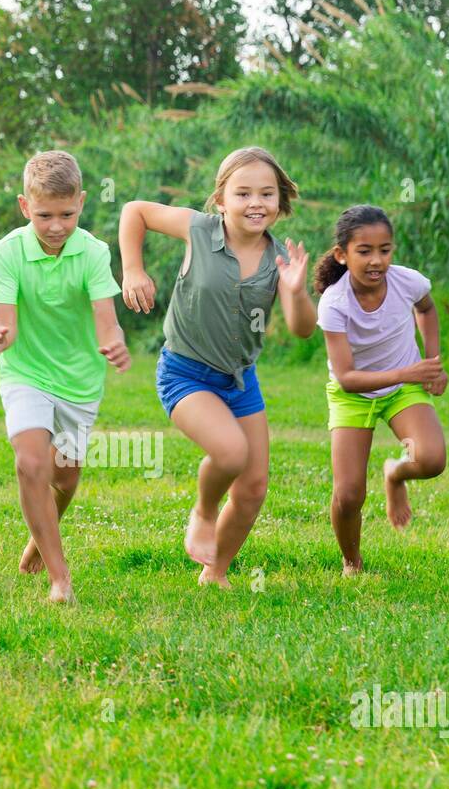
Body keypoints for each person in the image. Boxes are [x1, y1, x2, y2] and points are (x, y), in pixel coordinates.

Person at [118, 147, 314, 588]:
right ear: (221, 200)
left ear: (281, 203)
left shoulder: (280, 259)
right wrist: (133, 269)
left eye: (267, 194)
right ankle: (203, 515)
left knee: (253, 486)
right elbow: (135, 211)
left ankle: (215, 573)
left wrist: (298, 292)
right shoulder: (199, 230)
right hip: (185, 373)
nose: (255, 203)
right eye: (242, 193)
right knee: (230, 453)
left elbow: (303, 329)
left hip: (240, 381)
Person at [0, 150, 130, 604]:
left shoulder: (93, 252)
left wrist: (114, 342)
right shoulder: (7, 251)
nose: (55, 226)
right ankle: (59, 576)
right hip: (25, 372)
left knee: (64, 480)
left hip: (79, 381)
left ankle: (37, 538)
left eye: (66, 214)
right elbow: (5, 320)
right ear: (25, 207)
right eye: (44, 215)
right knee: (31, 463)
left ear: (81, 203)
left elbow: (106, 318)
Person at [314, 204, 447, 574]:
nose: (377, 260)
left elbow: (427, 309)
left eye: (385, 250)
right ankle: (352, 562)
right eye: (364, 251)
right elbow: (346, 377)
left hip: (402, 389)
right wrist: (409, 372)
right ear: (342, 255)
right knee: (349, 494)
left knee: (432, 459)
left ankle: (395, 473)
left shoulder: (408, 281)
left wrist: (432, 363)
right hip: (352, 395)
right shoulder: (335, 303)